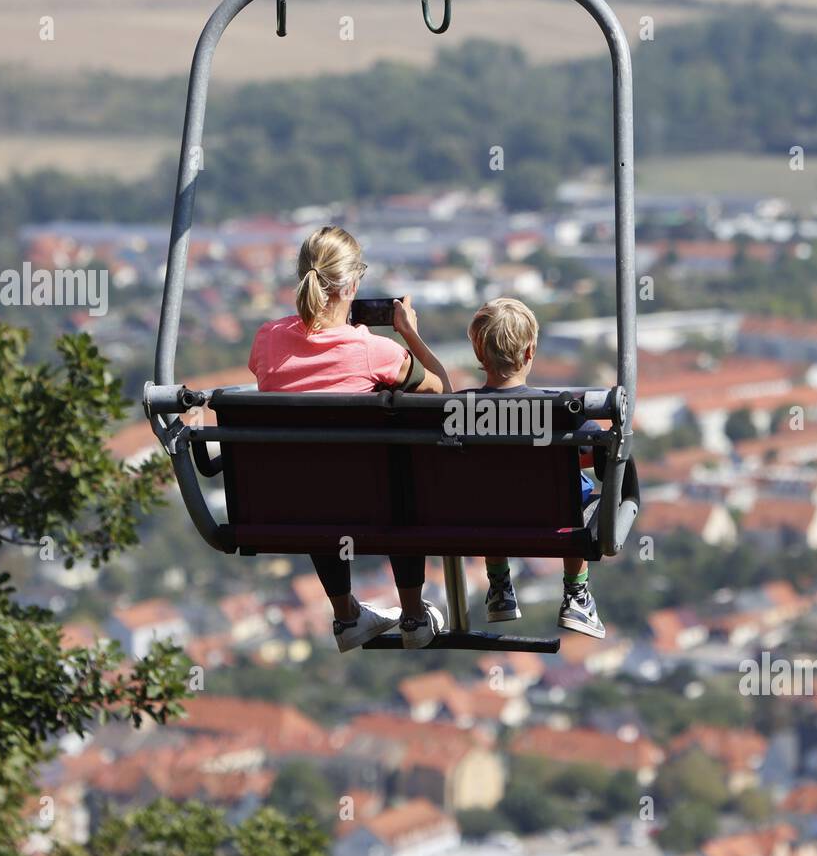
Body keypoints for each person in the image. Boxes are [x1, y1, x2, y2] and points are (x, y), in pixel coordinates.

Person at [248, 226, 452, 651]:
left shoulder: (267, 340)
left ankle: (347, 615)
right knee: (403, 468)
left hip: (294, 506)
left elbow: (283, 373)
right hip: (380, 503)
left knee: (315, 475)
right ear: (353, 283)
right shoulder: (372, 349)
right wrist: (409, 333)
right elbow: (443, 391)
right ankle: (414, 614)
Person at [464, 298, 605, 638]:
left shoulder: (458, 409)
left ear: (479, 354)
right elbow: (596, 451)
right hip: (552, 517)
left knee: (490, 492)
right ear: (529, 353)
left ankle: (499, 586)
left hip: (487, 521)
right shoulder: (557, 412)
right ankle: (576, 593)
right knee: (583, 498)